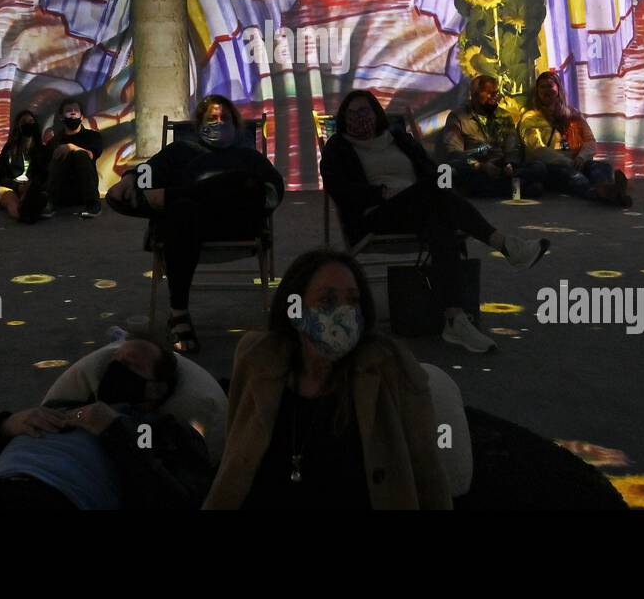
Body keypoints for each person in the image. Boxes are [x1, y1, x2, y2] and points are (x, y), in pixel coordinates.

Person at [203, 249, 453, 509]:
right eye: (327, 301)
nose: (343, 314)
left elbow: (428, 475)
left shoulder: (391, 368)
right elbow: (233, 458)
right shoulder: (256, 359)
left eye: (353, 301)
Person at [319, 89, 549, 355]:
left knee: (440, 210)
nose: (360, 118)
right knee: (436, 194)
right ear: (343, 118)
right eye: (353, 113)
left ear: (376, 113)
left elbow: (430, 171)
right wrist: (380, 193)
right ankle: (506, 245)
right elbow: (341, 190)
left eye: (365, 111)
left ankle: (454, 318)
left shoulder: (400, 139)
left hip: (421, 207)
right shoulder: (339, 147)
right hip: (377, 214)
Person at [0, 334, 215, 510]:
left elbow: (177, 502)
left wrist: (115, 431)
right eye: (114, 360)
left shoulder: (160, 431)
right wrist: (4, 427)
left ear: (156, 388)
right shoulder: (58, 407)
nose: (114, 368)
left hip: (54, 499)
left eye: (130, 365)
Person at [106, 95, 284, 354]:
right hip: (191, 228)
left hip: (236, 224)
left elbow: (271, 192)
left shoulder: (248, 156)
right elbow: (149, 171)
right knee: (183, 209)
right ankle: (179, 312)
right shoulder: (181, 152)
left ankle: (174, 197)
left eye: (225, 118)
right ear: (199, 124)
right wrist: (129, 179)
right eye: (212, 118)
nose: (219, 122)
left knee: (242, 183)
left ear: (236, 124)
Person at [518, 71, 631, 207]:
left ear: (558, 88)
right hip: (551, 166)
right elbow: (537, 149)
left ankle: (608, 188)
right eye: (542, 87)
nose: (546, 90)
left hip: (577, 161)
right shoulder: (530, 117)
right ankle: (599, 193)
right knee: (572, 175)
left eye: (550, 86)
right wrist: (567, 161)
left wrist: (581, 158)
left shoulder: (572, 114)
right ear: (537, 91)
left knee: (601, 166)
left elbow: (590, 142)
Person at [439, 74, 547, 198]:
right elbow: (455, 153)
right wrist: (480, 166)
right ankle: (516, 188)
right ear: (474, 95)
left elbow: (512, 147)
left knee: (539, 167)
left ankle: (511, 188)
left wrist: (510, 164)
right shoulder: (458, 117)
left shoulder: (504, 115)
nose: (495, 97)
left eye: (496, 93)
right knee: (450, 170)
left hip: (502, 169)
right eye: (489, 93)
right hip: (477, 169)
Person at [43, 97, 103, 217]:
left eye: (76, 110)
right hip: (61, 194)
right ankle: (49, 204)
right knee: (59, 153)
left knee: (80, 154)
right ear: (61, 117)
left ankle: (94, 205)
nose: (73, 112)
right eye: (69, 110)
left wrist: (71, 147)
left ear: (81, 116)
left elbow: (91, 155)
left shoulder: (93, 136)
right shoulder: (55, 141)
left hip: (84, 192)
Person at [0, 109, 49, 223]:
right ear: (18, 126)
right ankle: (23, 215)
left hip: (31, 187)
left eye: (31, 121)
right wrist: (17, 186)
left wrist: (29, 186)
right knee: (10, 199)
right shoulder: (10, 148)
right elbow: (3, 176)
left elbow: (43, 175)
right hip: (10, 186)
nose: (28, 124)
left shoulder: (41, 150)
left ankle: (29, 208)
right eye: (24, 122)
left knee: (34, 194)